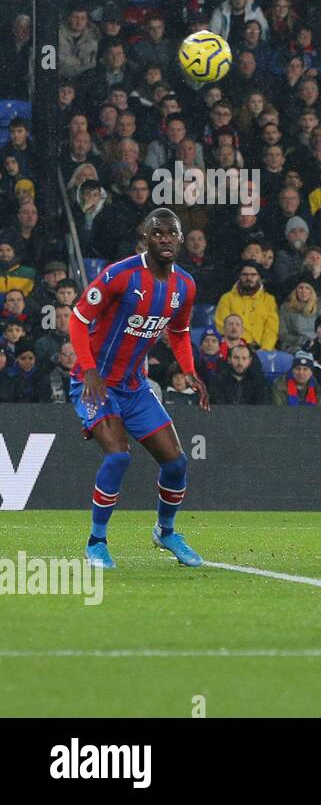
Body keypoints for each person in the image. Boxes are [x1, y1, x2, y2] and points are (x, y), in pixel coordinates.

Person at [66, 209, 209, 570]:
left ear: (180, 238)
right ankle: (96, 542)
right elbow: (78, 319)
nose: (164, 238)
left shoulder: (185, 286)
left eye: (171, 233)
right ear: (145, 237)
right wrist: (89, 371)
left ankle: (166, 531)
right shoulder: (121, 274)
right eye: (157, 233)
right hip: (95, 385)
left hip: (134, 387)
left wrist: (189, 370)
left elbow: (177, 331)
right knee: (118, 456)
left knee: (176, 462)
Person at [216, 261, 279, 351]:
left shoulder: (269, 300)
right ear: (240, 276)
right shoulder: (227, 298)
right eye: (245, 275)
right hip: (234, 348)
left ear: (259, 277)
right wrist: (236, 346)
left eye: (253, 275)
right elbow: (222, 326)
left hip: (262, 349)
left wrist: (265, 349)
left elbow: (272, 329)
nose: (248, 278)